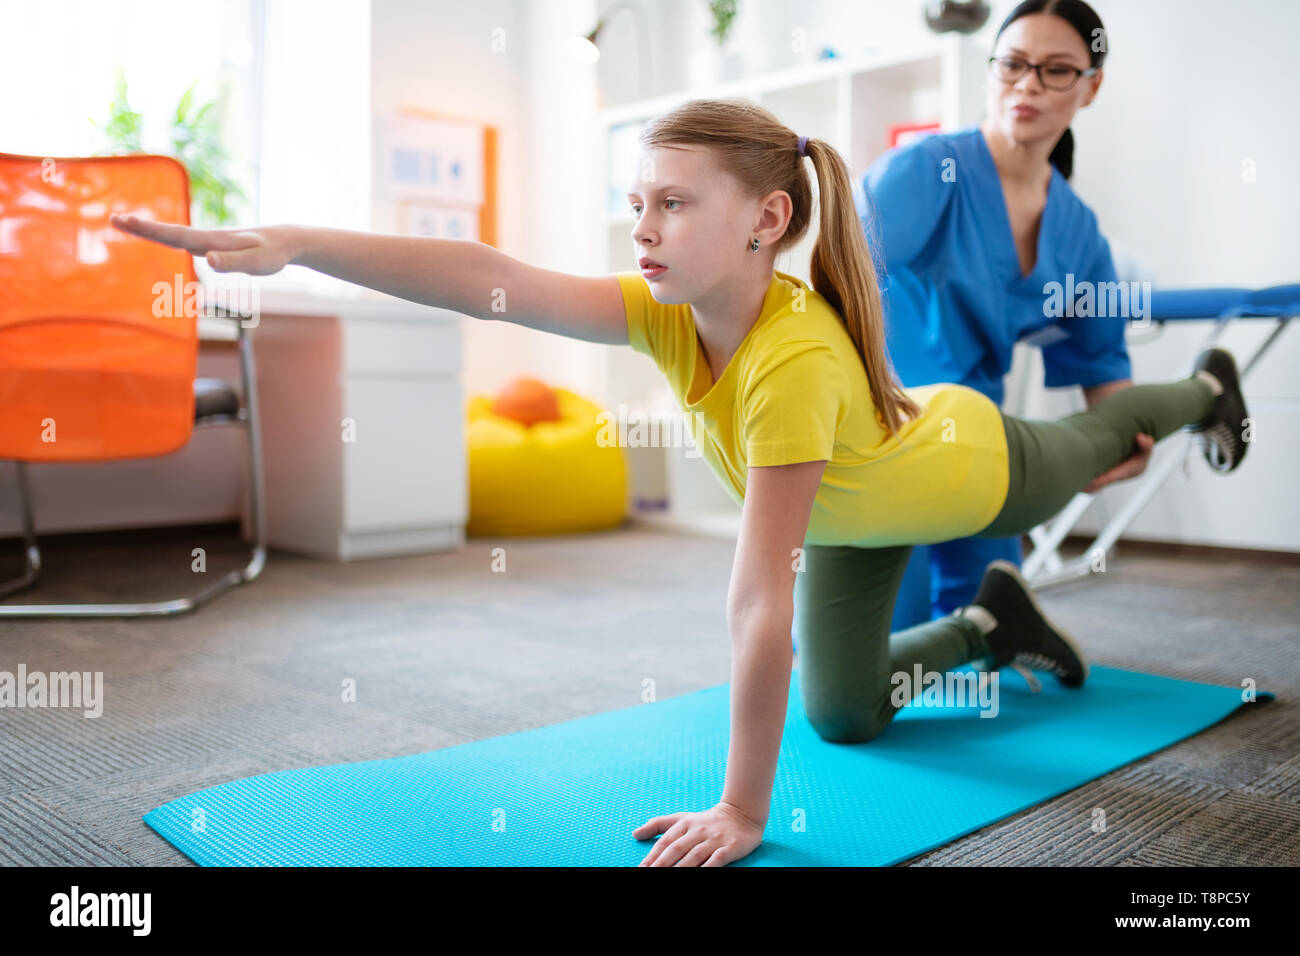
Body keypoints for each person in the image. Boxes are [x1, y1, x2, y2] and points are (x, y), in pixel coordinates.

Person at [109, 97, 1249, 868]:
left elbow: (757, 600)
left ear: (767, 220)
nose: (641, 226)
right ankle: (988, 625)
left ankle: (1204, 389)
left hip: (967, 469)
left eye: (672, 202)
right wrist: (295, 240)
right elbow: (494, 276)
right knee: (845, 717)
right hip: (858, 511)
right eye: (638, 200)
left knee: (1098, 448)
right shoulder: (668, 310)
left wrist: (744, 810)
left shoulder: (792, 360)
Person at [855, 0, 1144, 631]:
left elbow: (1104, 373)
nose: (1028, 84)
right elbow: (832, 288)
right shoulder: (924, 173)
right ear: (990, 70)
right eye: (1012, 64)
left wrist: (1126, 441)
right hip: (871, 436)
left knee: (986, 629)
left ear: (1091, 87)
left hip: (974, 450)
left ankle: (1208, 389)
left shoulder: (1080, 235)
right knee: (861, 669)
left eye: (1056, 70)